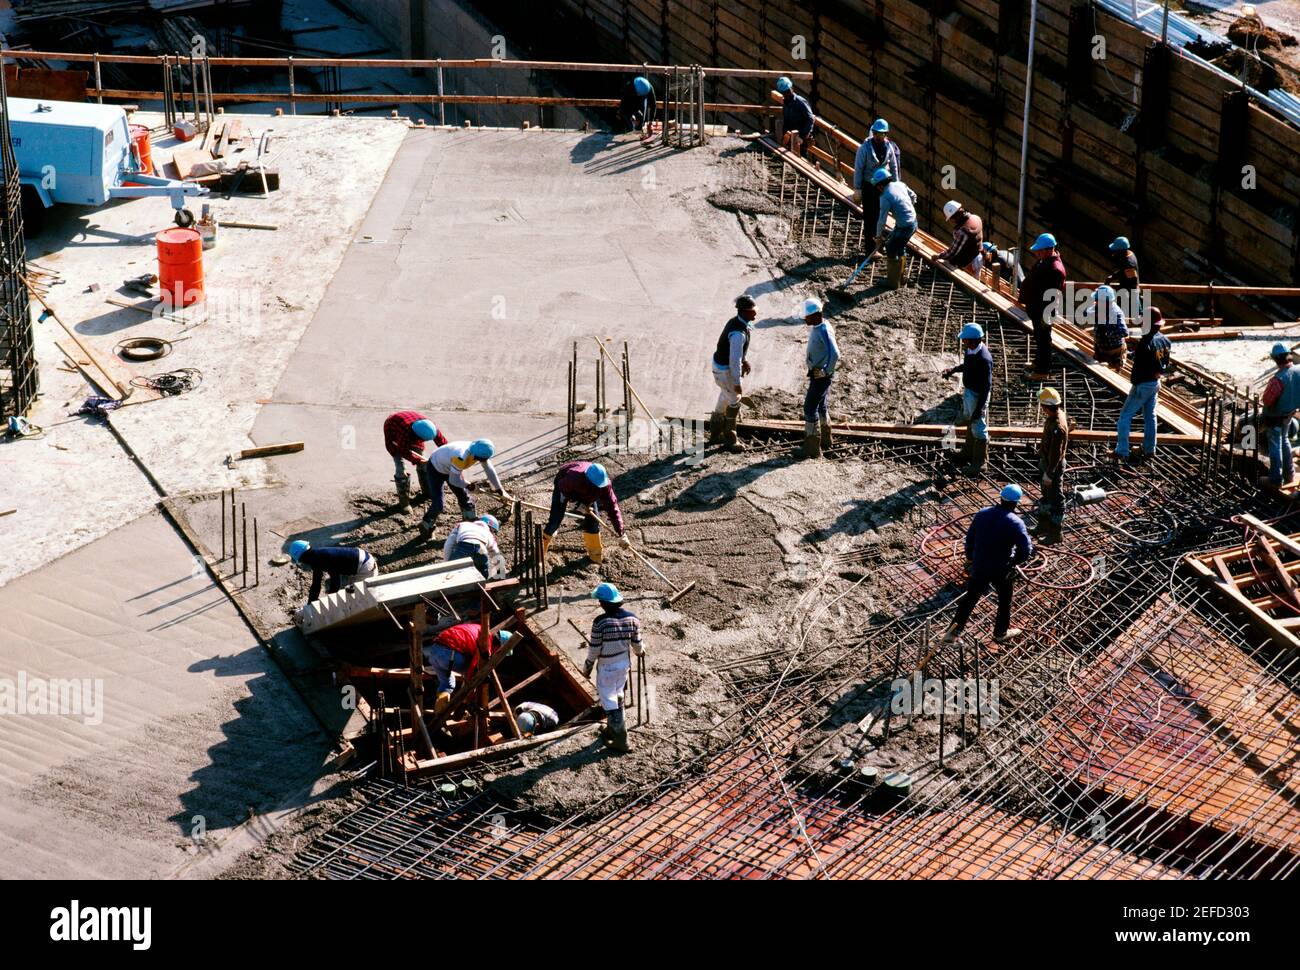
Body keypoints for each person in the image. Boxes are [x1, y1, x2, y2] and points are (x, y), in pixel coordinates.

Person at [940, 484, 1033, 646]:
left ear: (1001, 497)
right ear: (1016, 503)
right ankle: (1000, 633)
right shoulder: (1016, 523)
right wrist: (1014, 562)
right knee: (1005, 601)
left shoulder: (982, 514)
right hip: (1001, 569)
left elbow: (969, 539)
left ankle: (952, 634)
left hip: (980, 565)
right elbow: (1026, 550)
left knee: (970, 599)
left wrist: (970, 559)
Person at [584, 583, 644, 753]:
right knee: (618, 696)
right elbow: (637, 645)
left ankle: (621, 740)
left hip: (607, 667)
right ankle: (612, 730)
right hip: (624, 665)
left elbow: (594, 649)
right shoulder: (633, 619)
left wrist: (587, 667)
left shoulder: (600, 622)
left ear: (603, 603)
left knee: (609, 702)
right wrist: (641, 652)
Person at [418, 438, 509, 541]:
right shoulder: (461, 457)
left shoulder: (478, 449)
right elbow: (453, 480)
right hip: (435, 468)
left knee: (465, 499)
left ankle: (469, 525)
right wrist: (469, 486)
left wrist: (500, 490)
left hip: (450, 467)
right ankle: (425, 526)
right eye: (482, 459)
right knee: (438, 504)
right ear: (476, 455)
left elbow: (489, 469)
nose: (484, 461)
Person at [1113, 308, 1173, 463]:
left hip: (1142, 385)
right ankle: (1149, 449)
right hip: (1155, 383)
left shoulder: (1145, 344)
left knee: (1125, 416)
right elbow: (1162, 365)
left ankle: (1122, 450)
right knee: (1150, 416)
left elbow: (1140, 365)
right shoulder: (1165, 341)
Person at [541, 460, 629, 565]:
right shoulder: (573, 477)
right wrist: (578, 504)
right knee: (555, 520)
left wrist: (621, 532)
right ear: (588, 480)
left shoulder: (604, 484)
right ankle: (540, 553)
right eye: (597, 486)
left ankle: (595, 556)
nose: (599, 488)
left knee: (593, 522)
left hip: (587, 493)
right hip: (564, 486)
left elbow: (612, 507)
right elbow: (563, 489)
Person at [424, 622, 513, 716]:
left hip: (434, 652)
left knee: (447, 685)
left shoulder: (480, 628)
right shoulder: (486, 645)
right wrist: (469, 697)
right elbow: (473, 671)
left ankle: (439, 713)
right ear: (499, 645)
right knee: (476, 673)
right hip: (449, 655)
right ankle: (466, 701)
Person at [942, 322, 993, 475]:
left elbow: (986, 387)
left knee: (979, 426)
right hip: (971, 392)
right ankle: (967, 452)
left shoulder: (984, 359)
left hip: (979, 395)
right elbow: (968, 365)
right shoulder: (971, 350)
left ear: (973, 340)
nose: (963, 342)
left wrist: (979, 408)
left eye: (965, 340)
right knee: (971, 422)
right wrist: (953, 370)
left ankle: (980, 463)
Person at [710, 294, 757, 450]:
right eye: (752, 311)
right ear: (743, 312)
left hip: (719, 367)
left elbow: (737, 355)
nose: (755, 313)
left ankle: (715, 434)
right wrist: (737, 383)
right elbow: (734, 361)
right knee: (734, 400)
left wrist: (744, 360)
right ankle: (731, 440)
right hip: (725, 371)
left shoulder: (735, 322)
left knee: (725, 396)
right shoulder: (738, 333)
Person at [1017, 232, 1067, 380]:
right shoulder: (1044, 261)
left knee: (1044, 340)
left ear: (1048, 249)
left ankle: (1042, 371)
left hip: (1044, 311)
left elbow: (1051, 295)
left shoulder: (1055, 269)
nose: (1036, 252)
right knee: (1039, 338)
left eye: (1039, 250)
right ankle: (1038, 363)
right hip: (1037, 309)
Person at [800, 297, 840, 459]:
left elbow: (835, 353)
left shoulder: (823, 330)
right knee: (821, 405)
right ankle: (825, 439)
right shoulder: (820, 326)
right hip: (818, 374)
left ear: (816, 315)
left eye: (807, 316)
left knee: (809, 408)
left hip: (821, 376)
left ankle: (811, 447)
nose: (804, 318)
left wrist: (825, 370)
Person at [383, 411, 446, 509]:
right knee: (401, 468)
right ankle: (404, 503)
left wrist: (447, 456)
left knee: (424, 465)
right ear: (416, 436)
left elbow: (443, 444)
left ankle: (427, 491)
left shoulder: (431, 427)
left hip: (409, 426)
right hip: (394, 430)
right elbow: (403, 451)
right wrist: (417, 460)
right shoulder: (404, 432)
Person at [1260, 342, 1300, 489]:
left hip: (1275, 417)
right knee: (1285, 441)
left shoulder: (1278, 379)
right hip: (1289, 414)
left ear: (1275, 359)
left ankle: (1275, 479)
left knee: (1275, 446)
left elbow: (1267, 401)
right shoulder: (1299, 370)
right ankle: (1289, 474)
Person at [870, 167, 918, 290]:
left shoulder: (885, 197)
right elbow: (913, 196)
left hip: (904, 227)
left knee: (891, 248)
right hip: (913, 222)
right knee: (900, 247)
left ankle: (892, 282)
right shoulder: (900, 184)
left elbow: (882, 220)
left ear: (880, 185)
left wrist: (878, 236)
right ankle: (901, 278)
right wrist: (905, 210)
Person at [288, 540, 378, 604]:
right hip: (361, 559)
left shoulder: (321, 560)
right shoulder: (317, 555)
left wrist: (329, 601)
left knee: (357, 599)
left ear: (303, 557)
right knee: (348, 590)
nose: (303, 563)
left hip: (365, 567)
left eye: (300, 560)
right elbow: (316, 584)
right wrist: (310, 605)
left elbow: (335, 583)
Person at [1034, 387, 1069, 544]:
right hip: (1046, 462)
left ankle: (1055, 534)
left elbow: (1057, 453)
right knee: (1046, 496)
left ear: (1046, 407)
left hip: (1052, 466)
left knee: (1056, 499)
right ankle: (1043, 526)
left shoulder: (1058, 427)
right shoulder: (1057, 414)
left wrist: (1049, 473)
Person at [443, 514, 507, 579]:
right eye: (493, 531)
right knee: (482, 575)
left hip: (464, 546)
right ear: (490, 528)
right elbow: (495, 552)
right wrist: (500, 573)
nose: (493, 533)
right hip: (481, 549)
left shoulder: (462, 525)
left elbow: (449, 544)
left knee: (452, 572)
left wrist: (447, 564)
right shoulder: (489, 534)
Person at [852, 118, 901, 199]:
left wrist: (896, 184)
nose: (877, 136)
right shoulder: (864, 148)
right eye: (875, 133)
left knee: (882, 210)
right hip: (869, 186)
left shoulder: (889, 148)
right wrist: (857, 188)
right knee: (870, 211)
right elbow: (858, 169)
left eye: (880, 134)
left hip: (883, 186)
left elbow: (894, 166)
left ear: (885, 134)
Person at [1086, 284, 1129, 370]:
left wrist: (1106, 333)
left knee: (1113, 373)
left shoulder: (1116, 313)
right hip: (1101, 348)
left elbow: (1124, 332)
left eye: (1097, 300)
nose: (1095, 302)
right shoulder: (1099, 307)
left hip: (1114, 350)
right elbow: (1086, 312)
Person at [936, 200, 984, 276]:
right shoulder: (976, 217)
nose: (952, 221)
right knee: (975, 280)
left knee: (967, 285)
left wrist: (938, 256)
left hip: (968, 264)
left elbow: (952, 252)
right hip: (978, 258)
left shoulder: (963, 231)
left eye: (952, 219)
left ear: (956, 216)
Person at [776, 76, 815, 158]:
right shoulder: (786, 103)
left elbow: (810, 119)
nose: (787, 94)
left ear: (792, 88)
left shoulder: (800, 102)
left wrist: (802, 136)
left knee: (802, 159)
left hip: (800, 139)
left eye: (788, 91)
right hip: (789, 137)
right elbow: (786, 120)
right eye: (785, 92)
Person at [1104, 235, 1141, 318]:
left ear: (1121, 251)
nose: (1114, 252)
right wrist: (1113, 277)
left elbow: (1132, 281)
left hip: (1130, 291)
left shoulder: (1129, 263)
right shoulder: (1129, 253)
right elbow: (1123, 271)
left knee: (1135, 315)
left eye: (1116, 251)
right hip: (1127, 290)